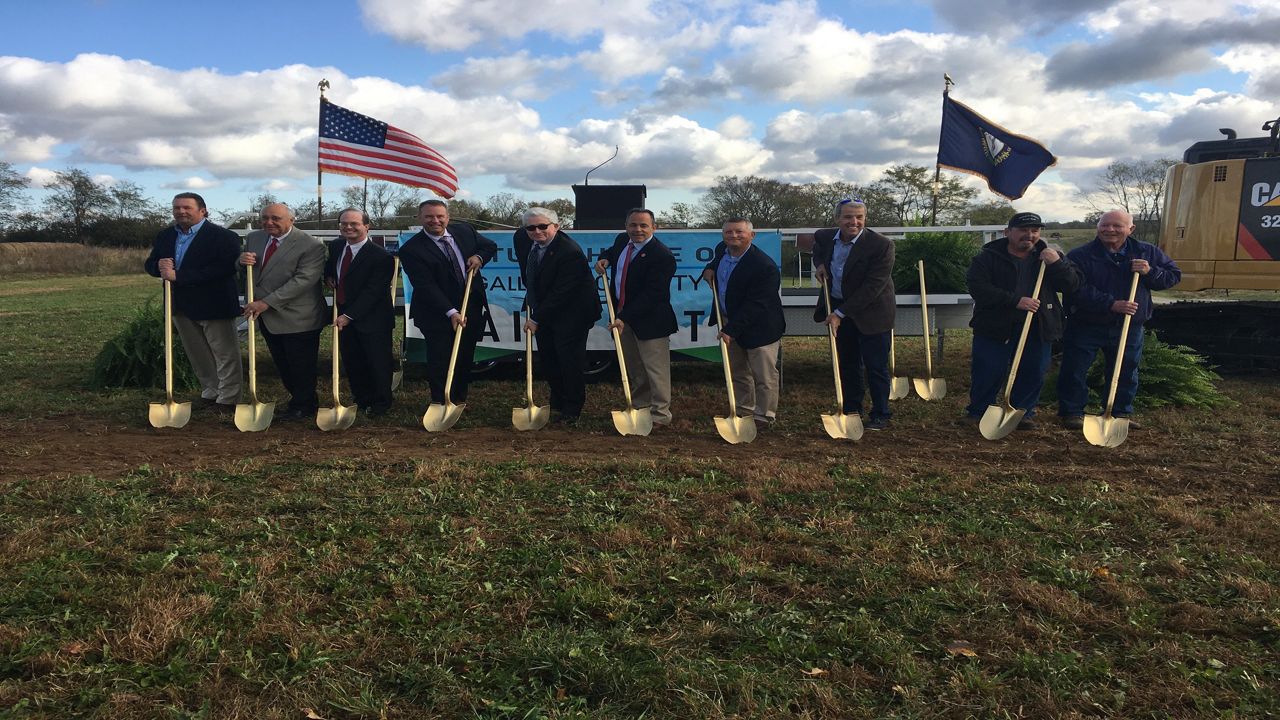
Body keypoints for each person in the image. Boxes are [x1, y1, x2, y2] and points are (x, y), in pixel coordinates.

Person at [1057, 209, 1181, 429]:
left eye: (1117, 226)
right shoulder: (1080, 255)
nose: (1110, 230)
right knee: (1075, 368)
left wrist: (1150, 272)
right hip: (1087, 323)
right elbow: (1075, 289)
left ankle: (1119, 413)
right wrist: (1110, 304)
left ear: (1130, 229)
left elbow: (1173, 276)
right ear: (1098, 228)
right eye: (1105, 225)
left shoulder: (1146, 252)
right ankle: (1072, 412)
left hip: (1128, 325)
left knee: (1125, 370)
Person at [964, 211, 1082, 428]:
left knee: (1034, 369)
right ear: (1008, 232)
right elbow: (978, 288)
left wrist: (1058, 265)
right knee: (989, 369)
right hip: (995, 325)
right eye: (1023, 230)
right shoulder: (987, 258)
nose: (1029, 235)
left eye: (1034, 231)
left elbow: (1072, 286)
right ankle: (979, 412)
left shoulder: (1049, 258)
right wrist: (1015, 301)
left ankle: (1022, 413)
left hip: (1038, 325)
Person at [144, 192, 243, 412]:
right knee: (197, 352)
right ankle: (211, 391)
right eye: (177, 208)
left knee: (224, 353)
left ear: (203, 210)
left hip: (214, 302)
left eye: (187, 208)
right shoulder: (166, 235)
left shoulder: (223, 236)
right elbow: (151, 264)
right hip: (180, 304)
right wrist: (158, 267)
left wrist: (179, 276)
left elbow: (224, 268)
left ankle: (229, 397)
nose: (181, 212)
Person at [398, 199, 497, 406]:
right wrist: (451, 312)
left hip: (470, 307)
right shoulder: (412, 250)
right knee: (440, 359)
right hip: (436, 312)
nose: (435, 221)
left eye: (440, 216)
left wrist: (479, 257)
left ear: (447, 217)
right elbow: (426, 287)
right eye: (429, 217)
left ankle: (459, 401)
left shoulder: (464, 231)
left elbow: (489, 246)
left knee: (464, 357)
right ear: (420, 218)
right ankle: (441, 402)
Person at [812, 198, 896, 430]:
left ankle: (881, 413)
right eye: (848, 217)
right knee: (847, 364)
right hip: (839, 307)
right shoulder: (824, 237)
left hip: (873, 313)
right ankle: (851, 410)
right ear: (837, 219)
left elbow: (873, 286)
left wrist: (840, 313)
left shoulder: (881, 245)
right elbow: (818, 252)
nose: (854, 222)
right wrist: (819, 264)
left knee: (876, 366)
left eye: (859, 217)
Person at [239, 203, 327, 421]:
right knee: (283, 364)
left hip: (298, 317)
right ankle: (300, 401)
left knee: (301, 366)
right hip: (268, 317)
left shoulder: (311, 245)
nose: (269, 222)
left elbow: (303, 280)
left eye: (276, 218)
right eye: (265, 218)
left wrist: (266, 303)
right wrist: (241, 262)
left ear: (291, 220)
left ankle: (303, 406)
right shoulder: (255, 238)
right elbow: (250, 269)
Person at [514, 207, 601, 424]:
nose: (537, 231)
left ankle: (572, 409)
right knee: (549, 359)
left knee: (569, 361)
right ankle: (558, 400)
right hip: (545, 309)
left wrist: (535, 318)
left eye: (543, 226)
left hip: (574, 311)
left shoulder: (569, 252)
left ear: (556, 226)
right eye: (531, 227)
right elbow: (529, 272)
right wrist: (532, 299)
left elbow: (562, 293)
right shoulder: (522, 239)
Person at [594, 208, 678, 427]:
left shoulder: (662, 256)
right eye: (633, 225)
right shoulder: (623, 240)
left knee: (655, 370)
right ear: (626, 226)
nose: (637, 230)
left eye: (643, 225)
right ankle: (640, 407)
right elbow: (612, 252)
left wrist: (625, 317)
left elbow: (654, 294)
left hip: (651, 321)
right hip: (623, 318)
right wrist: (604, 259)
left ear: (654, 228)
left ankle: (660, 415)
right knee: (635, 368)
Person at [701, 218, 786, 428]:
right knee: (738, 372)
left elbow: (757, 305)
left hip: (760, 326)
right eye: (729, 232)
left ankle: (764, 417)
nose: (734, 236)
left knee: (764, 375)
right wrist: (709, 269)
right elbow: (716, 261)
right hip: (730, 321)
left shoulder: (764, 266)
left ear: (752, 235)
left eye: (739, 232)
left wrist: (731, 329)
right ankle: (744, 410)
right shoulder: (723, 249)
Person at [324, 208, 395, 417]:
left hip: (373, 318)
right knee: (353, 361)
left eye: (354, 224)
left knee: (377, 363)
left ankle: (381, 404)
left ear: (366, 226)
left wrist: (348, 316)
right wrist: (328, 277)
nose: (348, 227)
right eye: (344, 223)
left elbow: (373, 292)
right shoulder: (337, 246)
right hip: (344, 314)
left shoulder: (380, 256)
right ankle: (362, 400)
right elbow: (331, 268)